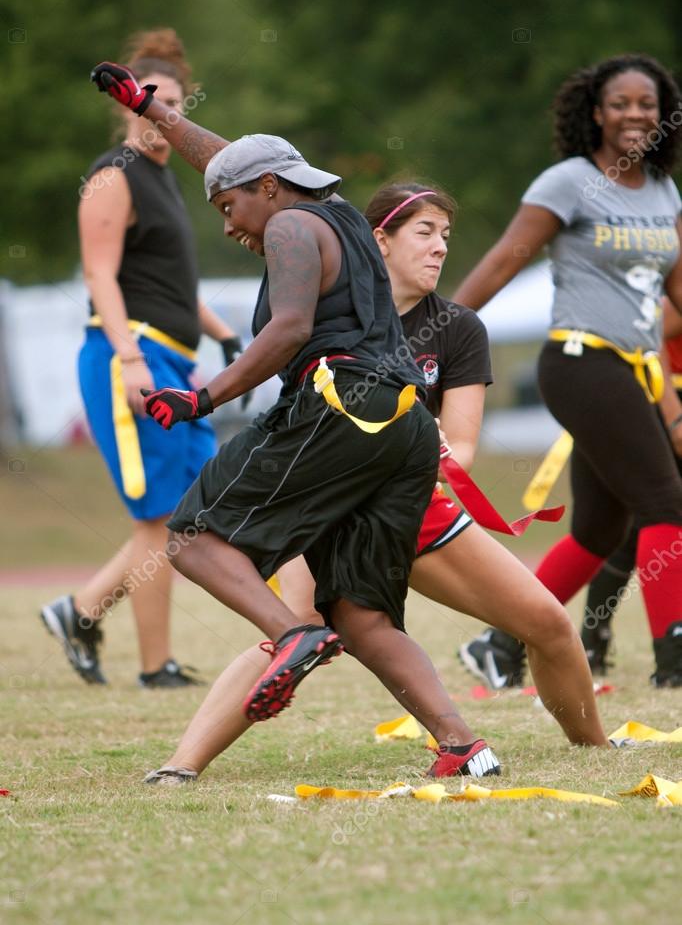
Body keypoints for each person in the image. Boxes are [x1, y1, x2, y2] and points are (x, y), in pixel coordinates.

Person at [88, 58, 503, 776]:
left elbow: (285, 331)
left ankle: (289, 635)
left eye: (228, 209)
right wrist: (156, 113)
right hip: (403, 424)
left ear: (271, 191)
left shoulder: (285, 227)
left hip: (339, 403)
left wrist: (203, 397)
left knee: (190, 535)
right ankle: (464, 745)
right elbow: (233, 163)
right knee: (361, 613)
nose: (227, 227)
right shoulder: (334, 213)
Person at [141, 181, 607, 787]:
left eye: (445, 235)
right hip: (327, 492)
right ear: (375, 239)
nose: (440, 248)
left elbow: (461, 444)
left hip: (414, 500)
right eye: (424, 233)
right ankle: (182, 765)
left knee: (545, 623)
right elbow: (259, 177)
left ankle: (593, 749)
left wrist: (407, 442)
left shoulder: (457, 328)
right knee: (297, 628)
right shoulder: (329, 295)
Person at [456, 53, 682, 689]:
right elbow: (505, 259)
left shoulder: (665, 190)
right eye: (621, 103)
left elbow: (677, 287)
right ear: (595, 113)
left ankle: (499, 644)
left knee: (600, 527)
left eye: (647, 104)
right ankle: (675, 656)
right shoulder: (569, 181)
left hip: (638, 370)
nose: (635, 114)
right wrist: (436, 326)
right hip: (583, 362)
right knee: (667, 501)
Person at [41, 29, 242, 688]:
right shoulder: (112, 175)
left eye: (176, 103)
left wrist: (224, 334)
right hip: (131, 356)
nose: (162, 113)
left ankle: (80, 610)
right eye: (149, 101)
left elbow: (175, 285)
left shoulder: (165, 177)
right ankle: (156, 667)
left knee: (190, 511)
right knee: (159, 519)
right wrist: (132, 361)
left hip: (174, 361)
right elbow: (101, 279)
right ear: (127, 105)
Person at [580, 298, 682, 673]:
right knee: (638, 527)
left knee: (636, 529)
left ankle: (592, 640)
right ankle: (594, 639)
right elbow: (650, 340)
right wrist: (674, 419)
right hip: (661, 402)